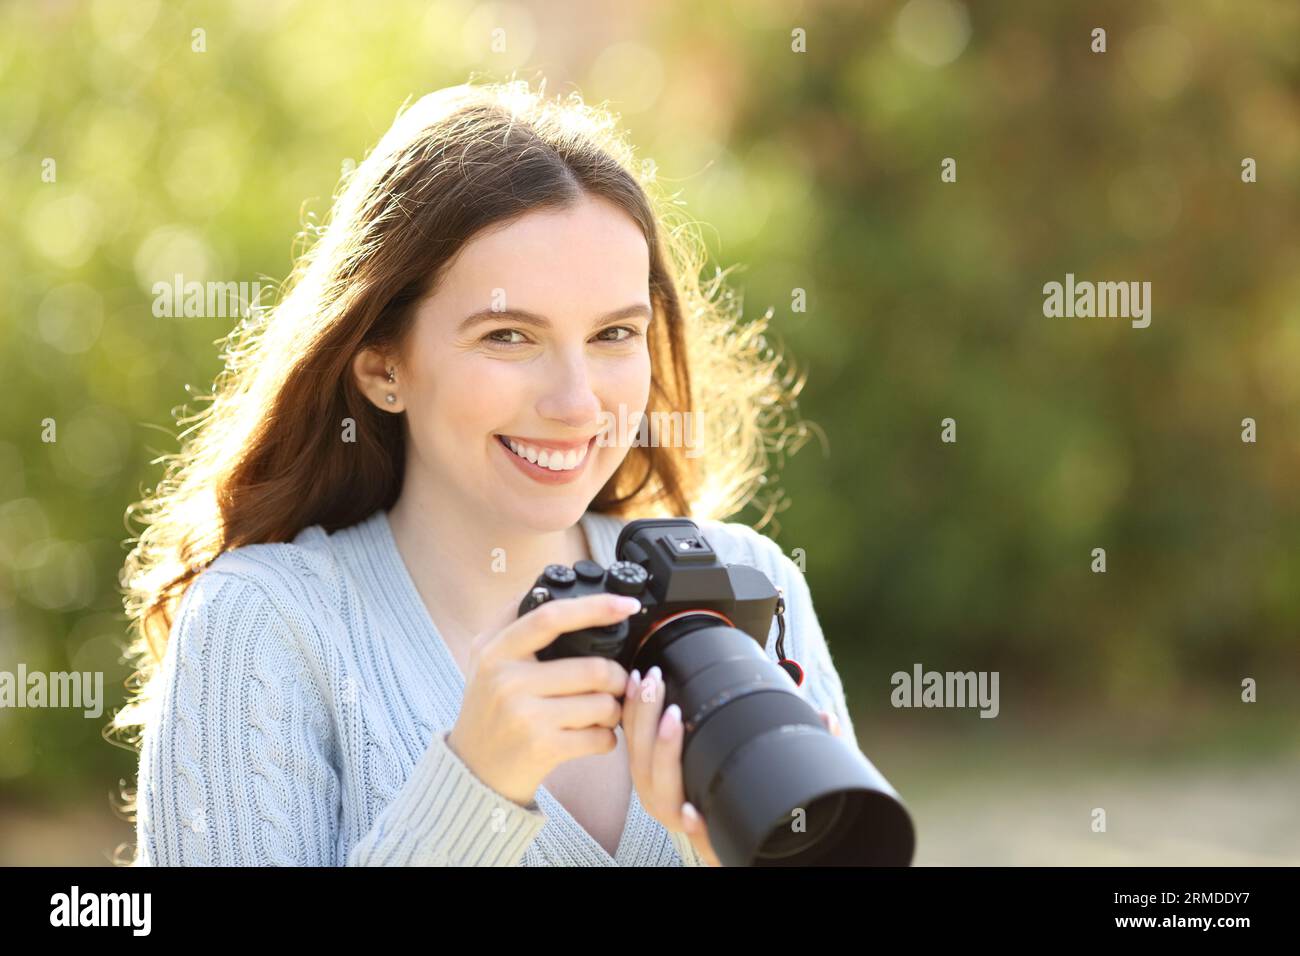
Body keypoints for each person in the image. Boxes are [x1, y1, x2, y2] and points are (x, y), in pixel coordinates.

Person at [115, 79, 855, 866]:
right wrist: (474, 790)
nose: (577, 404)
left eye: (612, 333)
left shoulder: (747, 582)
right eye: (508, 336)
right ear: (381, 366)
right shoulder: (268, 624)